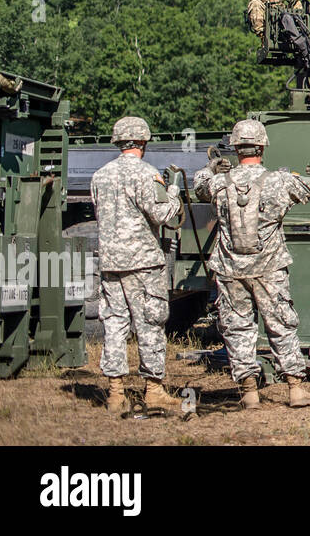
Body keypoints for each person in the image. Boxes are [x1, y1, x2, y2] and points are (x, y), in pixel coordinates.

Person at [193, 119, 310, 409]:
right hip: (269, 268)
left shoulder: (220, 183)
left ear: (235, 148)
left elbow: (199, 186)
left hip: (231, 269)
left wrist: (211, 168)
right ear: (261, 147)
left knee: (237, 329)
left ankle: (249, 393)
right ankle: (295, 390)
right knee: (281, 325)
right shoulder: (278, 181)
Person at [92, 116, 182, 414]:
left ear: (119, 141)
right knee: (150, 324)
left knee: (114, 325)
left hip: (110, 263)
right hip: (143, 263)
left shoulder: (100, 176)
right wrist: (174, 193)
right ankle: (153, 390)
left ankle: (115, 394)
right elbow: (162, 216)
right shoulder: (147, 175)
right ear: (143, 142)